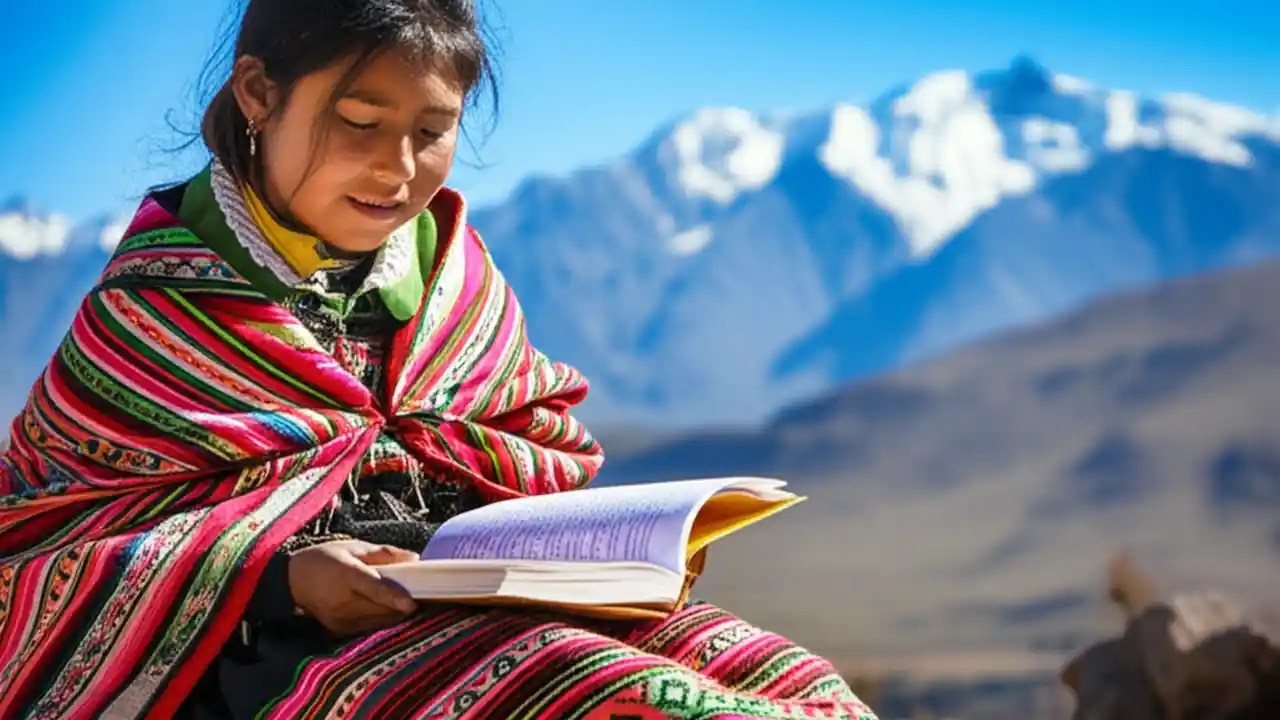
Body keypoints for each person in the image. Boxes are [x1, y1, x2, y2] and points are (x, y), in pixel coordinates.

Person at [0, 2, 878, 718]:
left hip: (498, 603)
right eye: (359, 121)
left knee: (799, 690)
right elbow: (49, 548)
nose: (397, 168)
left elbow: (531, 445)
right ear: (259, 94)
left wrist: (628, 550)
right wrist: (283, 578)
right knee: (608, 697)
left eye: (432, 130)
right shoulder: (158, 307)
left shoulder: (456, 275)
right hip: (279, 651)